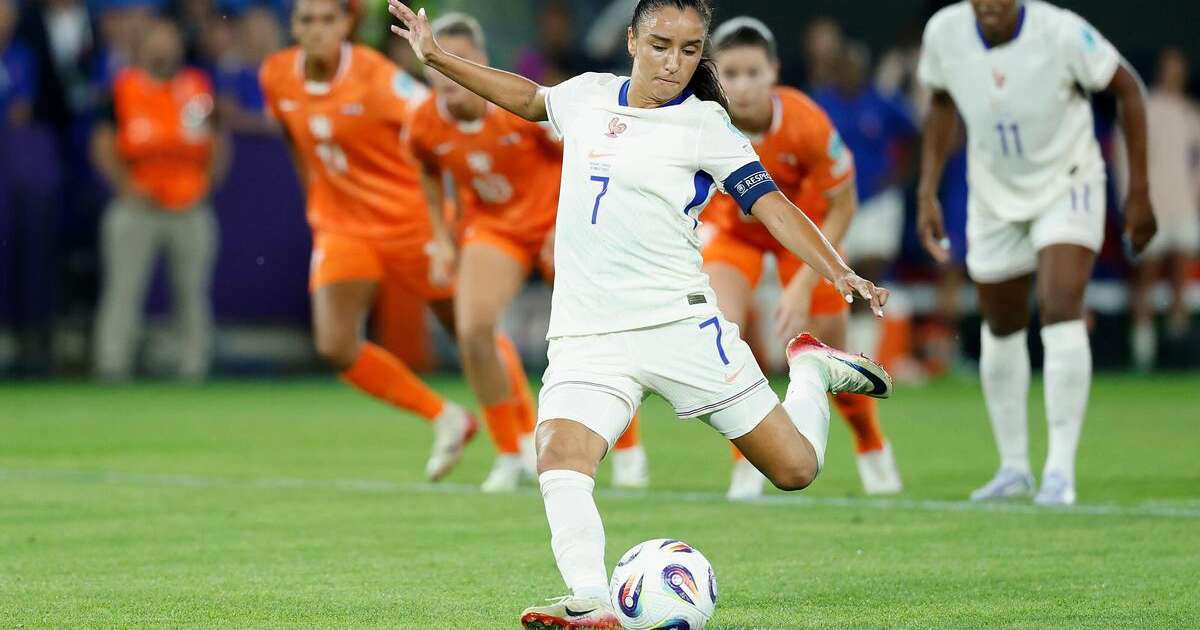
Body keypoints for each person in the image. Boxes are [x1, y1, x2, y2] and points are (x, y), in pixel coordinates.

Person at [390, 1, 893, 627]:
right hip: (588, 331)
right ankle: (591, 600)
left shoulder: (706, 124)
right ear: (631, 40)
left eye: (688, 50)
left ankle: (811, 373)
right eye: (659, 45)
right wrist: (437, 57)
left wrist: (837, 269)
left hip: (678, 326)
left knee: (795, 470)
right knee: (559, 451)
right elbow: (524, 98)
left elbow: (772, 205)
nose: (673, 63)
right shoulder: (587, 96)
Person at [917, 0, 1156, 506]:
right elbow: (940, 102)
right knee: (1001, 324)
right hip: (993, 192)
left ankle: (1059, 472)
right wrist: (928, 189)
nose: (991, 5)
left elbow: (1129, 89)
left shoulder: (1063, 32)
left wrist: (1139, 191)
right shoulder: (944, 31)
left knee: (1059, 307)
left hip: (1068, 182)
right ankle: (1013, 468)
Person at [405, 12, 648, 492]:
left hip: (556, 222)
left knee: (594, 332)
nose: (448, 72)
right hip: (494, 228)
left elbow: (586, 157)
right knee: (473, 330)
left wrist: (573, 225)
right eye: (440, 61)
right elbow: (428, 169)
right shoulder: (424, 123)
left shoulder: (524, 109)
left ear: (480, 65)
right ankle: (510, 451)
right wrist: (439, 236)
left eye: (462, 60)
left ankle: (627, 450)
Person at [259, 0, 488, 481]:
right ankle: (446, 417)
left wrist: (458, 205)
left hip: (410, 220)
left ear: (347, 24)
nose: (316, 29)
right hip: (341, 226)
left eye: (327, 19)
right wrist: (315, 201)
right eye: (306, 20)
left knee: (469, 330)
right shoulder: (276, 75)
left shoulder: (379, 77)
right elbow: (294, 139)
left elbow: (436, 119)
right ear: (293, 26)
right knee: (335, 344)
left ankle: (525, 434)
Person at [705, 17, 901, 500]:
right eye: (730, 73)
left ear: (773, 71)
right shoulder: (701, 120)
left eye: (753, 72)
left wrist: (805, 280)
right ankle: (746, 461)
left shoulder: (806, 120)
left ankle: (872, 444)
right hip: (737, 237)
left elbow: (845, 201)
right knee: (719, 339)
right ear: (714, 75)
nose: (742, 85)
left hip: (805, 238)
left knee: (831, 355)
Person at [91, 17, 229, 382]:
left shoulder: (196, 88)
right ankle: (111, 366)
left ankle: (193, 367)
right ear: (143, 45)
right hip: (137, 205)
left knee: (192, 293)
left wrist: (207, 183)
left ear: (179, 47)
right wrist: (124, 186)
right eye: (157, 40)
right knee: (123, 290)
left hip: (188, 205)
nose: (163, 48)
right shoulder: (123, 87)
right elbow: (103, 143)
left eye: (170, 40)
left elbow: (217, 139)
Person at [1116, 47, 1200, 371]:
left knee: (1181, 281)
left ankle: (1178, 351)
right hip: (1150, 208)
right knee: (1145, 280)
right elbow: (1124, 158)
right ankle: (1143, 352)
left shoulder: (1191, 114)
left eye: (1179, 68)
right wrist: (1129, 201)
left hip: (1183, 209)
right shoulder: (1143, 107)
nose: (1174, 74)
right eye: (1169, 68)